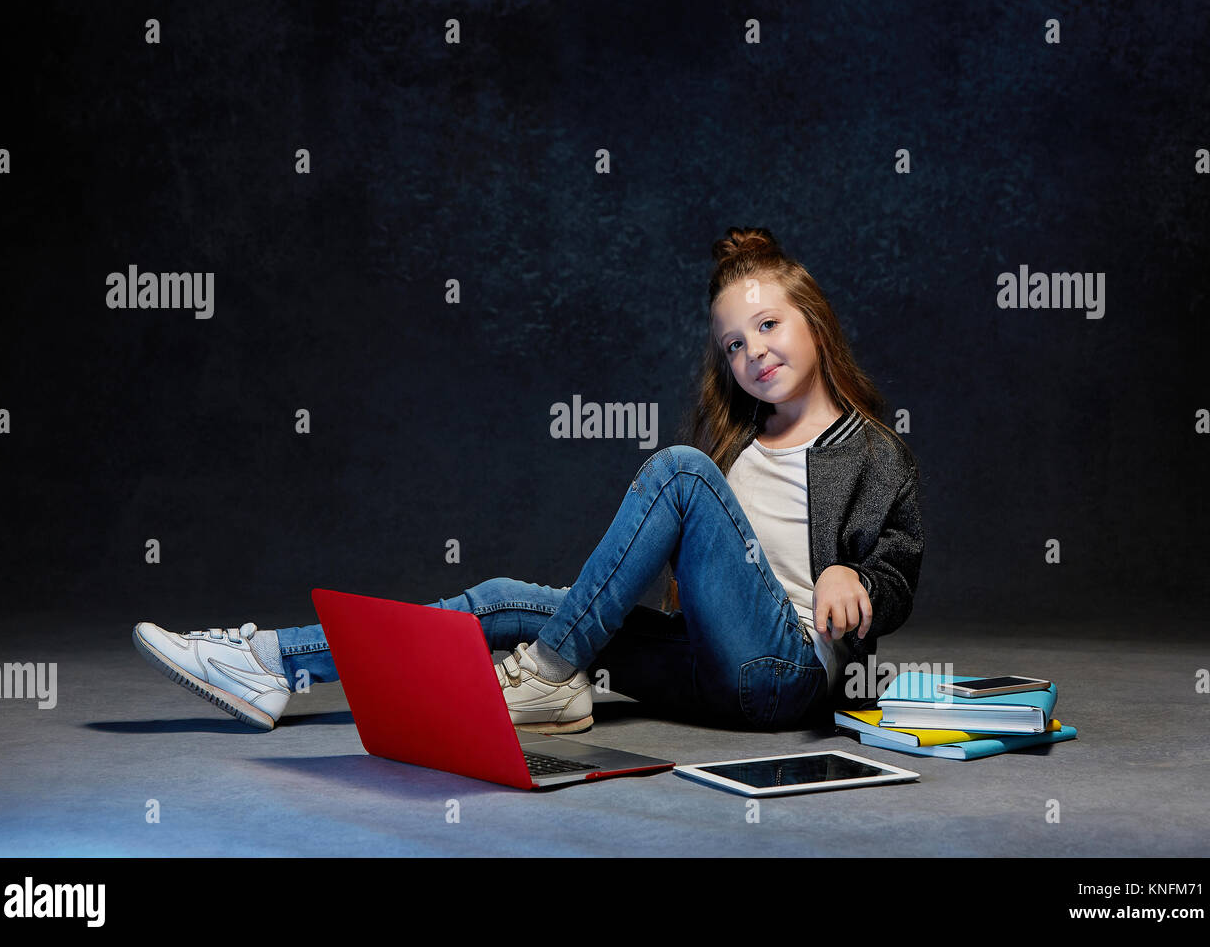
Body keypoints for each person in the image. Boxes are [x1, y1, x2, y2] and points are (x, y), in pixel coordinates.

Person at [133, 226, 924, 735]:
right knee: (502, 597)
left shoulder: (870, 449)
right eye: (731, 344)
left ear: (812, 320)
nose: (751, 352)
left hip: (782, 679)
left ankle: (548, 675)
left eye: (768, 325)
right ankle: (273, 663)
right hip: (702, 669)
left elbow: (895, 570)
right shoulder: (738, 448)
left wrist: (853, 573)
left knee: (676, 474)